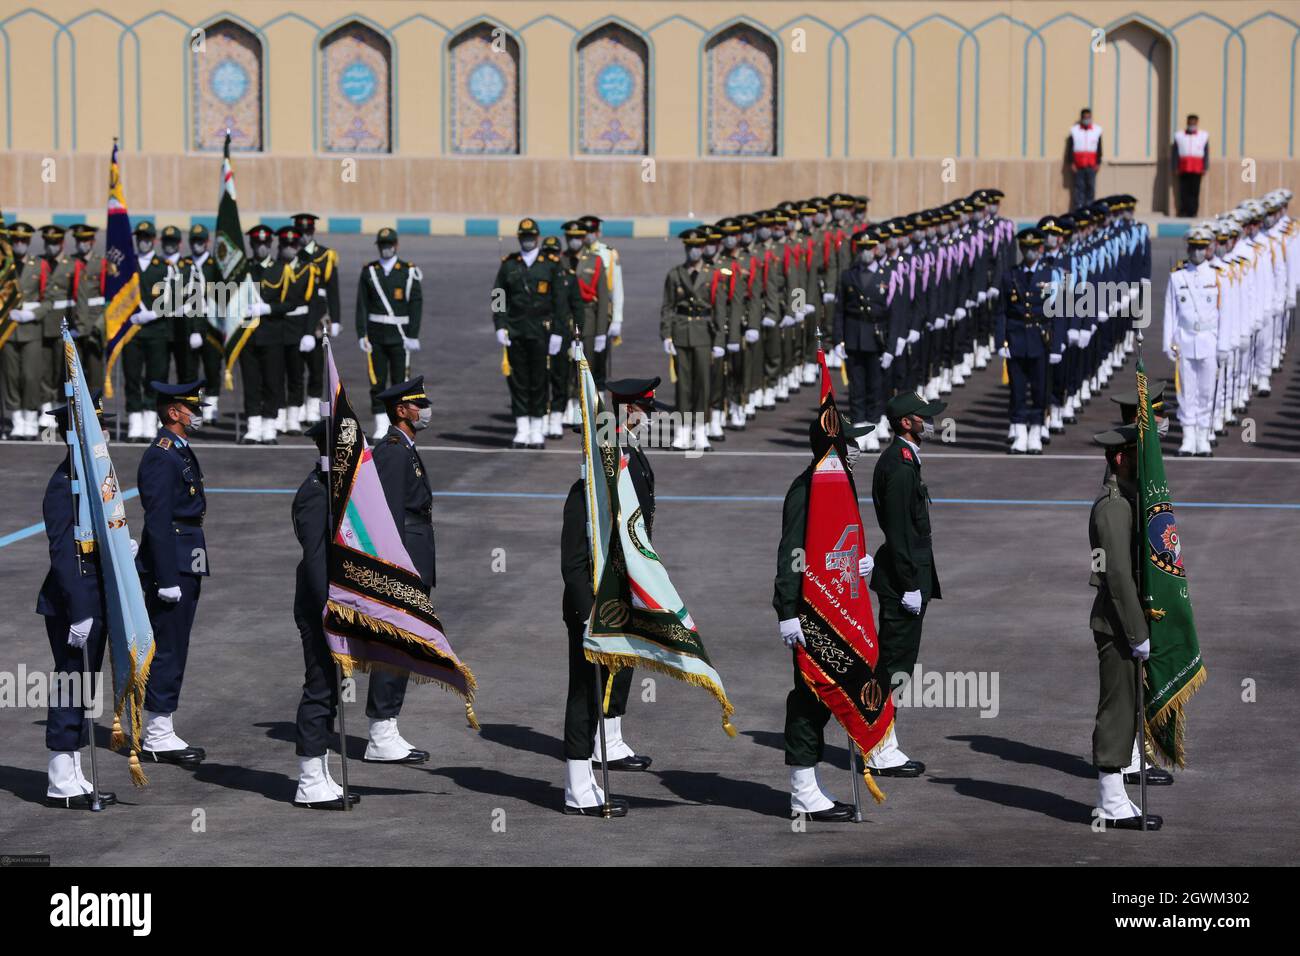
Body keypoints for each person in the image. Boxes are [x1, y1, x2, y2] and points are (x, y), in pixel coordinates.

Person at [559, 377, 659, 816]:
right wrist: (587, 614)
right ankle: (576, 785)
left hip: (619, 598)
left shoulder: (609, 492)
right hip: (593, 607)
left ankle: (587, 781)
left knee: (607, 682)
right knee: (584, 694)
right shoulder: (584, 495)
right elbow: (573, 563)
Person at [773, 417, 874, 821]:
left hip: (836, 608)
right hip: (809, 612)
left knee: (830, 698)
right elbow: (790, 553)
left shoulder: (838, 484)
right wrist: (786, 611)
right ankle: (802, 789)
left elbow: (839, 538)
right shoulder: (806, 489)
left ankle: (810, 786)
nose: (857, 452)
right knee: (810, 698)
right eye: (851, 444)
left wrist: (859, 562)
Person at [37, 394, 119, 809]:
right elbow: (63, 554)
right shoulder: (63, 486)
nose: (105, 433)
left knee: (83, 686)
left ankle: (72, 770)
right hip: (74, 604)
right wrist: (81, 610)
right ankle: (59, 776)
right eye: (95, 428)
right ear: (76, 435)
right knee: (72, 682)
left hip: (94, 597)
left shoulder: (93, 477)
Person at [1088, 427, 1165, 830]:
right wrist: (1137, 632)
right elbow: (1116, 574)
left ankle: (1116, 797)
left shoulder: (1126, 500)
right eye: (1137, 454)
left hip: (1124, 617)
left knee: (1126, 704)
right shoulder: (1113, 506)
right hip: (1118, 621)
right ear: (1119, 458)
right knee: (1116, 707)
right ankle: (1110, 801)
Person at [866, 391, 944, 779]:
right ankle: (879, 747)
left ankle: (883, 741)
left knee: (899, 665)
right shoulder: (898, 466)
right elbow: (897, 532)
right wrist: (910, 583)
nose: (929, 422)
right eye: (922, 417)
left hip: (909, 576)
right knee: (893, 666)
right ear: (905, 423)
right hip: (903, 582)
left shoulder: (906, 460)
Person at [137, 380, 210, 767]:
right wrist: (165, 577)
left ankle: (160, 726)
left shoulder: (178, 449)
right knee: (168, 645)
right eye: (190, 407)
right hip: (173, 559)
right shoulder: (161, 455)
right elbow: (158, 520)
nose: (196, 412)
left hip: (187, 552)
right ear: (172, 412)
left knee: (176, 643)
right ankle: (157, 733)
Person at [364, 376, 436, 764]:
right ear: (400, 410)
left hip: (415, 552)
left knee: (405, 644)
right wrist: (395, 565)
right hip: (404, 557)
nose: (424, 409)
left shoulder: (404, 447)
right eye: (417, 404)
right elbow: (387, 512)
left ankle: (388, 726)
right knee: (396, 643)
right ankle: (381, 730)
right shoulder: (392, 451)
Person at [290, 420, 360, 809]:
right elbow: (316, 561)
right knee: (319, 686)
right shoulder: (316, 494)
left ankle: (323, 772)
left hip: (339, 603)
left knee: (332, 689)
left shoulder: (336, 492)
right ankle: (308, 781)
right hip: (321, 605)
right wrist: (330, 609)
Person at [492, 218, 570, 449]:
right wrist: (499, 324)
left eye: (531, 237)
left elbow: (560, 301)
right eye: (523, 238)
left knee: (539, 380)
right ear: (519, 239)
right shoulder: (509, 265)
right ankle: (521, 427)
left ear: (537, 238)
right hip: (515, 330)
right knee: (517, 380)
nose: (527, 241)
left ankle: (537, 427)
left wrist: (558, 332)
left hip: (541, 331)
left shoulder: (551, 264)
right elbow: (498, 295)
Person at [833, 231, 904, 452]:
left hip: (877, 338)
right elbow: (839, 311)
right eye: (861, 248)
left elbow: (895, 313)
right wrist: (837, 340)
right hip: (854, 338)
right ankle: (858, 428)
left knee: (876, 386)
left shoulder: (888, 274)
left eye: (869, 247)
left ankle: (872, 429)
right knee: (856, 387)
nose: (865, 252)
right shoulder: (848, 275)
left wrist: (892, 346)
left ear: (876, 249)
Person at [996, 227, 1062, 455]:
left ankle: (1035, 430)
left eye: (1034, 248)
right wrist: (1000, 342)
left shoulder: (1051, 275)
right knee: (1017, 389)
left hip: (1040, 340)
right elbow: (1002, 312)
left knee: (1039, 389)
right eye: (1026, 248)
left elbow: (1057, 314)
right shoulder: (1009, 275)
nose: (1030, 252)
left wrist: (1056, 345)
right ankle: (1019, 432)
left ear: (1041, 249)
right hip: (1015, 340)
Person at [356, 227, 423, 439]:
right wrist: (361, 333)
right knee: (377, 381)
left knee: (401, 383)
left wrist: (413, 334)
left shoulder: (408, 271)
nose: (386, 249)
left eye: (389, 245)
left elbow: (415, 304)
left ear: (396, 246)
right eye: (383, 245)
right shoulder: (370, 271)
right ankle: (380, 423)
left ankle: (398, 424)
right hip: (376, 335)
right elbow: (362, 305)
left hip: (400, 336)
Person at [660, 227, 721, 451]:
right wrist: (666, 334)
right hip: (682, 331)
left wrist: (720, 341)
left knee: (703, 384)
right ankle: (683, 432)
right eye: (690, 247)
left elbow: (720, 309)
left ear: (703, 248)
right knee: (683, 385)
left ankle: (701, 431)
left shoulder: (713, 274)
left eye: (697, 247)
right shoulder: (675, 274)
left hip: (705, 332)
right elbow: (667, 307)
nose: (694, 251)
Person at [1162, 231, 1221, 456]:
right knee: (1186, 390)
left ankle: (1203, 436)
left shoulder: (1217, 275)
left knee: (1207, 389)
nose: (1196, 252)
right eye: (1193, 247)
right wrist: (1168, 342)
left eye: (1201, 247)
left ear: (1207, 249)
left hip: (1209, 340)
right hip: (1185, 340)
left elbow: (1224, 312)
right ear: (1188, 249)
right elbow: (1170, 311)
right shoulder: (1178, 276)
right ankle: (1188, 437)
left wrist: (1225, 344)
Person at [123, 222, 173, 441]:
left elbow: (174, 299)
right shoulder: (127, 264)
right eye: (140, 236)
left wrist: (152, 314)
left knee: (155, 377)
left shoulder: (164, 266)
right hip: (132, 331)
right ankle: (134, 420)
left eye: (147, 237)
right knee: (132, 376)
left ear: (153, 239)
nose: (142, 240)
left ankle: (150, 420)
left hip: (156, 330)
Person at [292, 213, 342, 425]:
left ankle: (312, 404)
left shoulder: (325, 255)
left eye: (308, 232)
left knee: (315, 362)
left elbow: (333, 289)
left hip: (319, 311)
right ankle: (298, 405)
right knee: (294, 362)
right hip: (295, 309)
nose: (304, 236)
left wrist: (336, 318)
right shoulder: (290, 254)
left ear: (313, 232)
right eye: (300, 232)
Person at [2, 223, 46, 439]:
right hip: (8, 329)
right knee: (11, 376)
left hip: (31, 329)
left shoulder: (39, 265)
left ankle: (30, 416)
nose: (19, 244)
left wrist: (34, 313)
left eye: (23, 240)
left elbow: (50, 299)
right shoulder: (4, 266)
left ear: (28, 242)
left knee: (30, 375)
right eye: (16, 240)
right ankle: (17, 419)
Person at [1173, 115, 1209, 218]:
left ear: (1197, 123)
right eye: (1190, 122)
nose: (1192, 125)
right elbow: (1175, 152)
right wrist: (1175, 166)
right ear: (1187, 123)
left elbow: (1206, 152)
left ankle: (1193, 211)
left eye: (1194, 123)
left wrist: (1205, 167)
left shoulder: (1203, 136)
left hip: (1197, 167)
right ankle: (1183, 211)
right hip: (1183, 166)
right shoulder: (1179, 136)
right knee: (1184, 190)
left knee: (1194, 190)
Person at [1068, 108, 1103, 209]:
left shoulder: (1097, 130)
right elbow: (1070, 148)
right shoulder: (1075, 131)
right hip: (1079, 166)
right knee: (1079, 188)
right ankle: (1079, 209)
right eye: (1085, 117)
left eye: (1089, 117)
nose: (1087, 119)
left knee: (1090, 187)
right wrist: (1071, 163)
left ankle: (1089, 208)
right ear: (1081, 118)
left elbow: (1099, 148)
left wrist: (1098, 162)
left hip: (1091, 165)